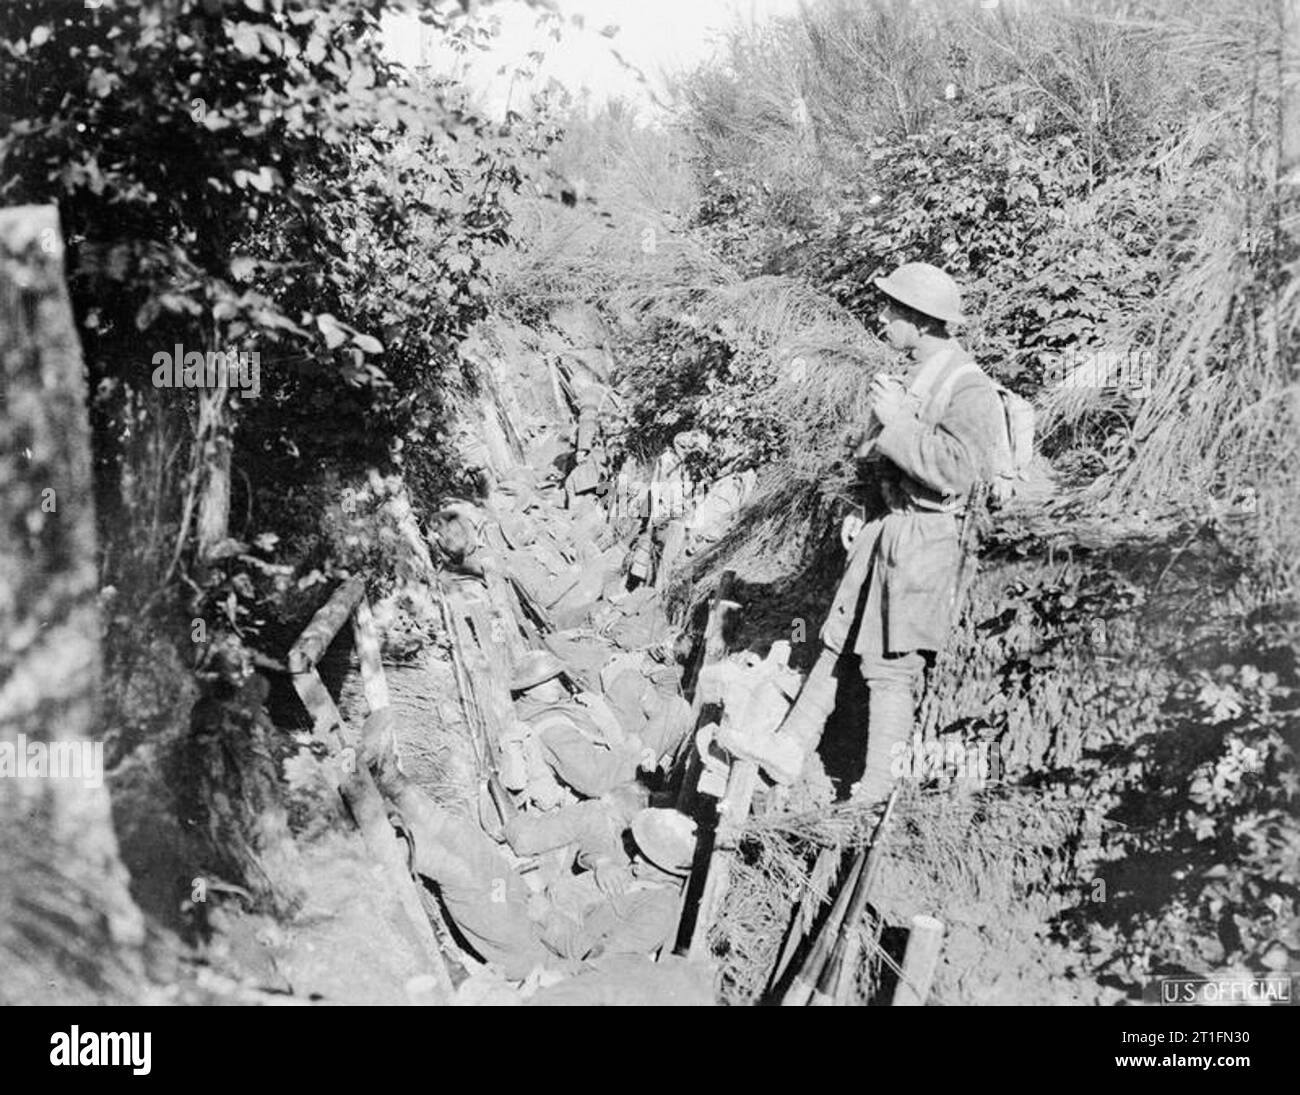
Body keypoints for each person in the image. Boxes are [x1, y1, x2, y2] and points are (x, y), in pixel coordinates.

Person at [721, 262, 1006, 805]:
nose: (882, 318)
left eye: (893, 311)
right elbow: (880, 457)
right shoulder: (914, 377)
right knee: (836, 641)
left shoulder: (969, 389)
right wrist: (862, 503)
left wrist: (898, 420)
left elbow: (955, 470)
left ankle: (876, 786)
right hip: (885, 529)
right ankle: (790, 746)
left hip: (925, 541)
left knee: (891, 666)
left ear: (921, 322)